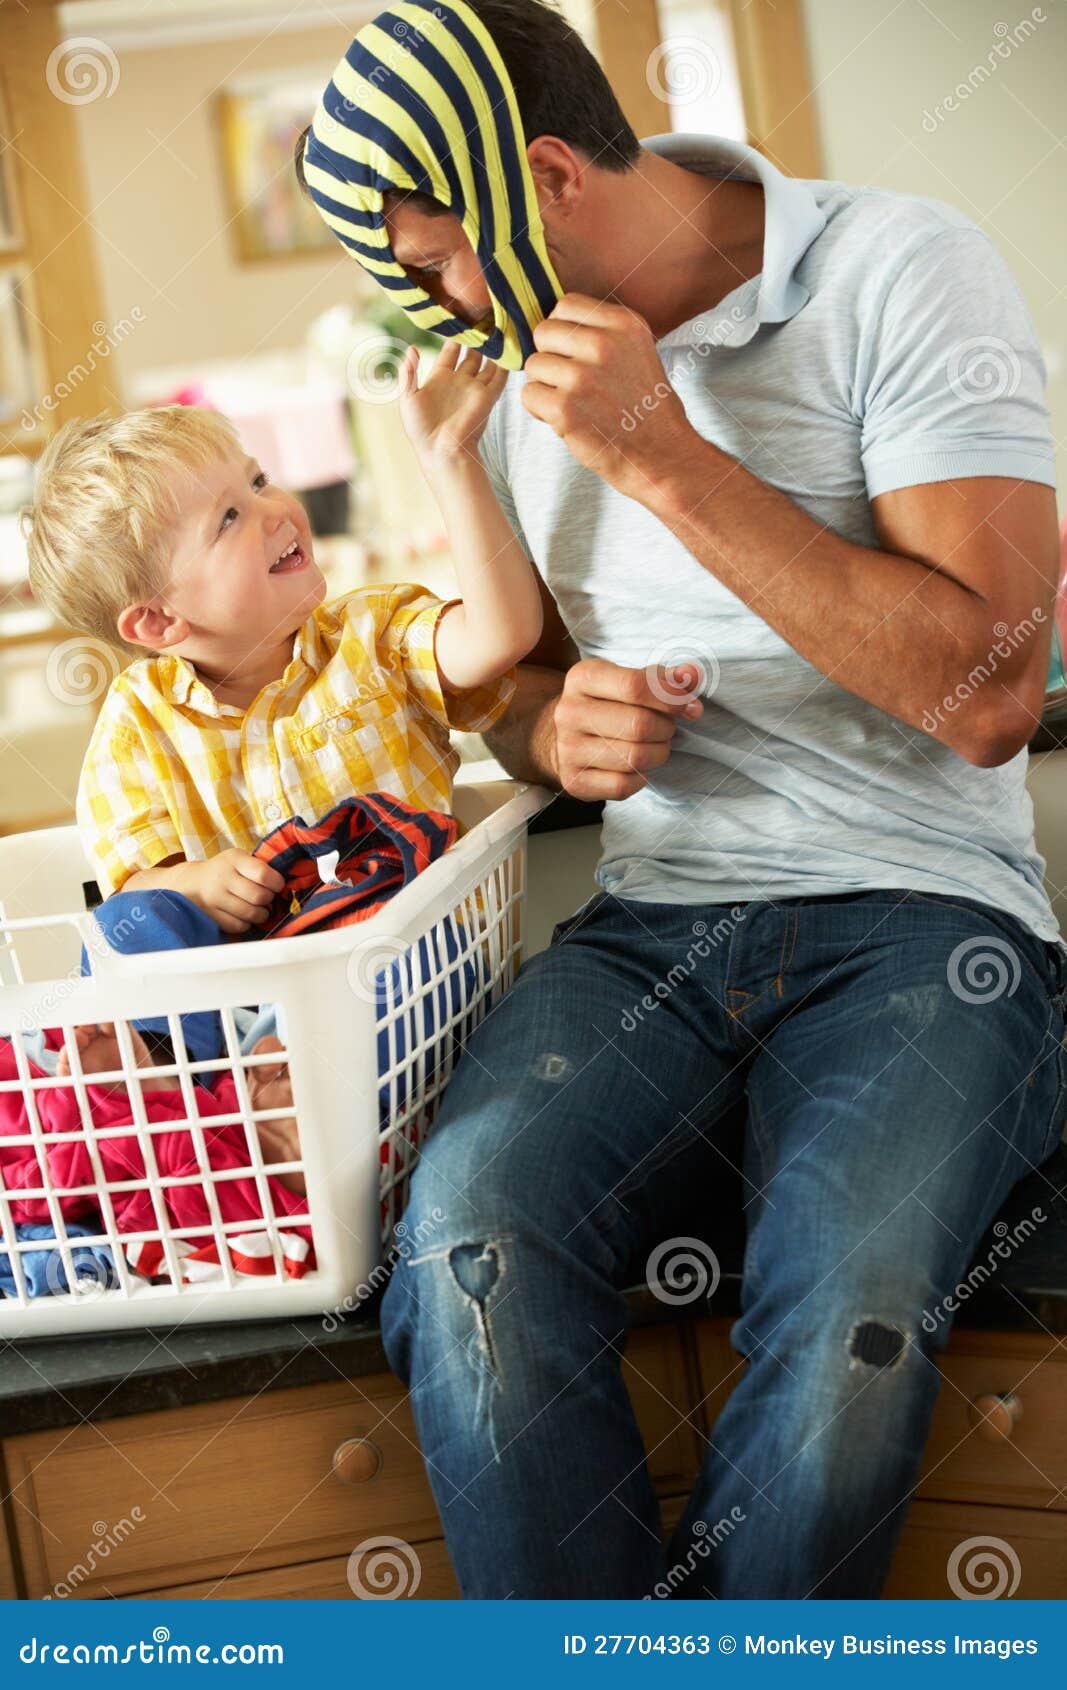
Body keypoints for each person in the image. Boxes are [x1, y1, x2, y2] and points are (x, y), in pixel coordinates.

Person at [298, 0, 1066, 1598]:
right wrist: (550, 731)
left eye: (441, 262)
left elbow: (990, 692)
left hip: (924, 923)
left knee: (850, 1306)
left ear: (542, 179)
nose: (443, 310)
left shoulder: (898, 270)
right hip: (649, 925)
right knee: (468, 1235)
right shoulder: (514, 374)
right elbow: (524, 687)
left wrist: (661, 454)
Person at [24, 346, 540, 1179]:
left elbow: (500, 633)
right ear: (158, 623)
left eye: (258, 480)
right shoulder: (137, 722)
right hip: (232, 1010)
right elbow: (137, 891)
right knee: (124, 926)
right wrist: (196, 884)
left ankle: (283, 1129)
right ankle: (163, 1095)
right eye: (229, 518)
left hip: (388, 973)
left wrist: (452, 460)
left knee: (419, 963)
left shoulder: (372, 636)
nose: (274, 511)